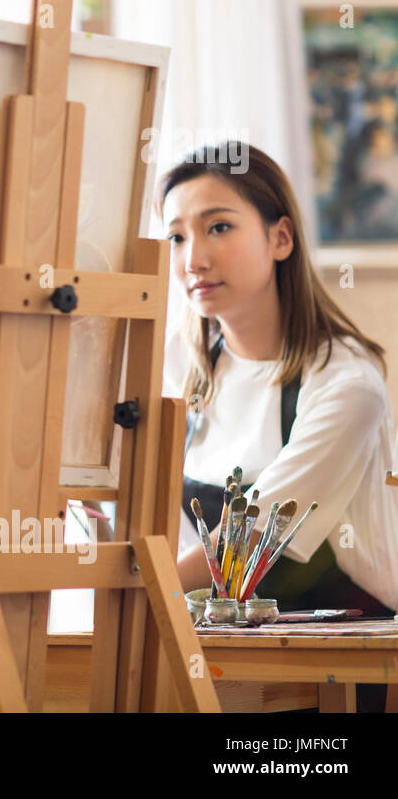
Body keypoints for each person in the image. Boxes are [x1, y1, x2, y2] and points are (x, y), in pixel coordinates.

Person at [163, 142, 397, 623]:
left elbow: (246, 540)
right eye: (177, 237)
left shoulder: (347, 384)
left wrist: (130, 586)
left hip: (349, 643)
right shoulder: (179, 361)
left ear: (281, 238)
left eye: (218, 227)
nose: (193, 260)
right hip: (226, 635)